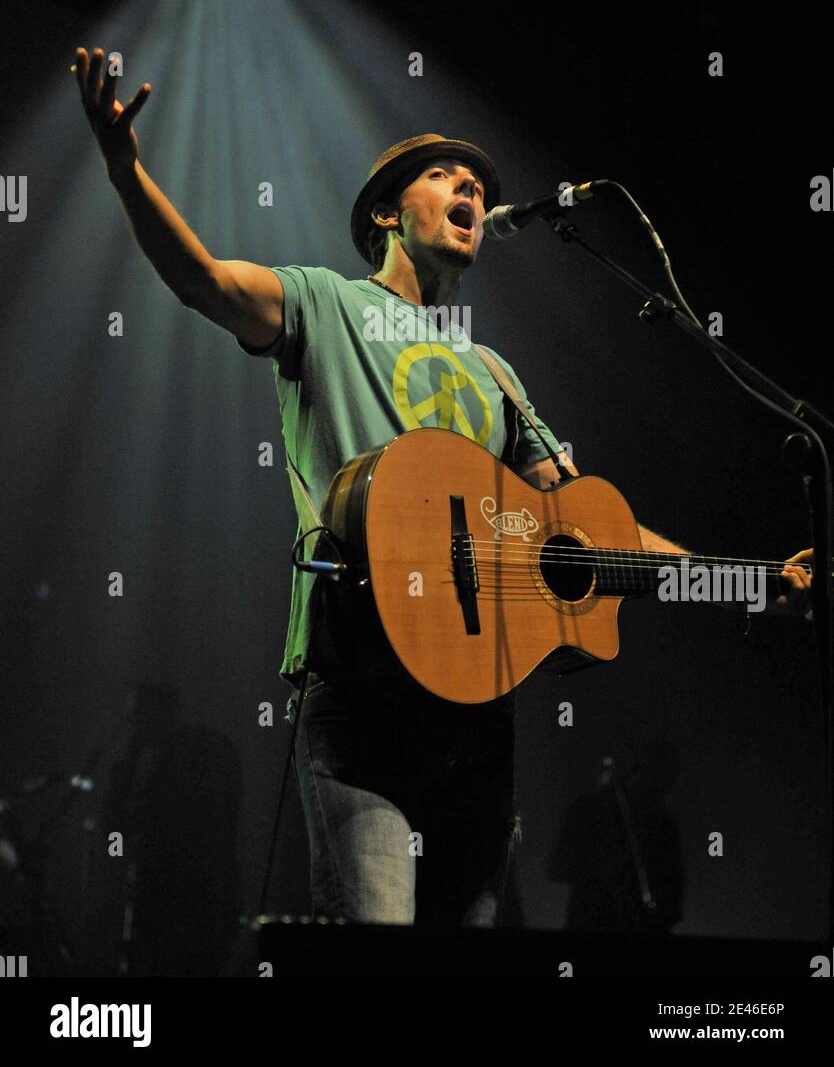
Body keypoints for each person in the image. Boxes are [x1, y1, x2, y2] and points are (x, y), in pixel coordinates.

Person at [71, 46, 813, 928]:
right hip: (364, 685)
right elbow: (202, 279)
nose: (470, 189)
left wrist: (751, 584)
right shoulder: (324, 302)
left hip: (476, 710)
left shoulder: (496, 372)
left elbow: (591, 529)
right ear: (388, 211)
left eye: (476, 182)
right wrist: (125, 168)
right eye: (443, 176)